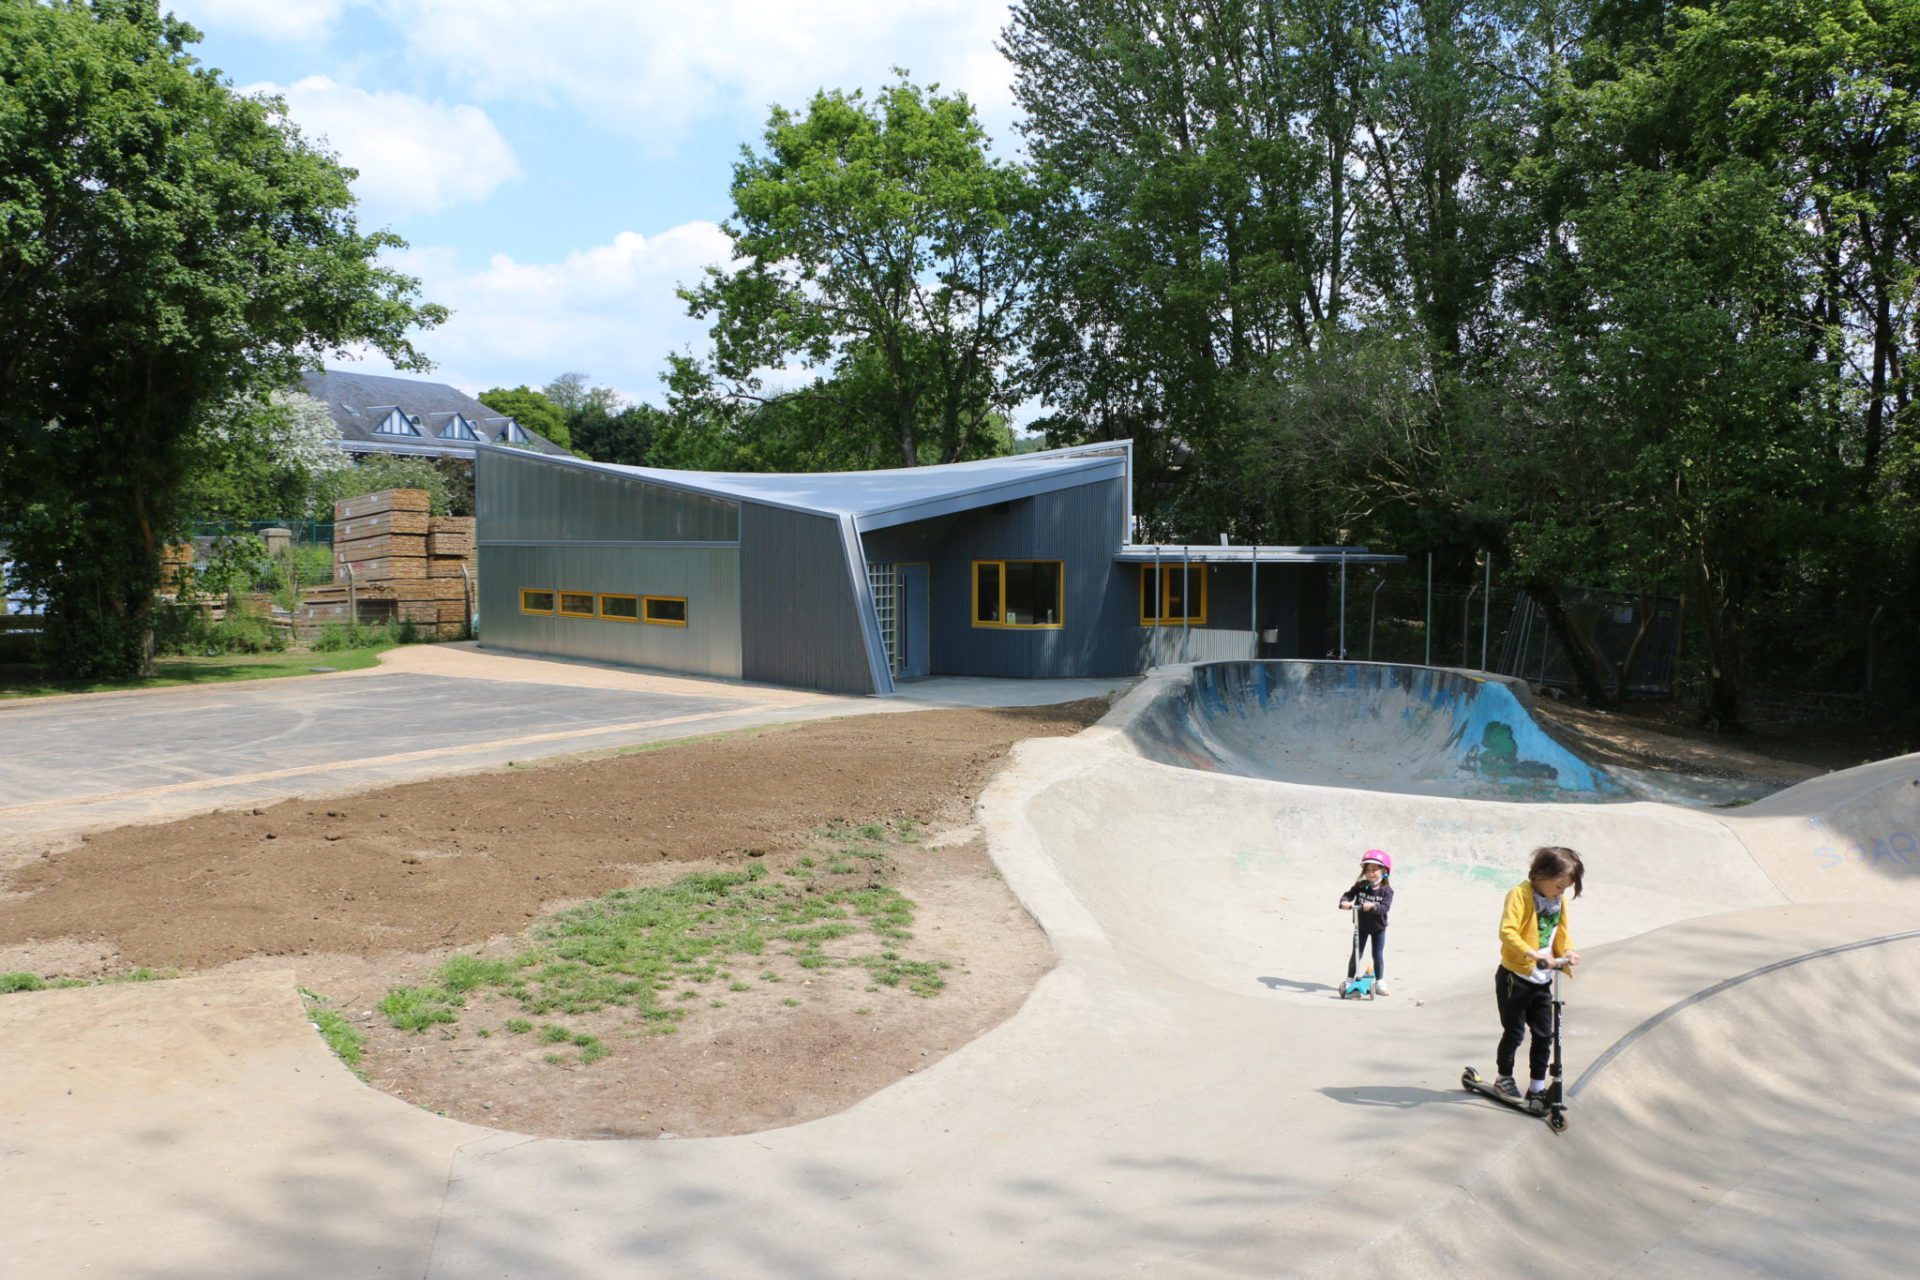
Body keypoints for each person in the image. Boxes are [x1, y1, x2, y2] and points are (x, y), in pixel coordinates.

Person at [1492, 846, 1584, 1105]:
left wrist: (1568, 950)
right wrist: (1533, 955)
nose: (1561, 892)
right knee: (1514, 1032)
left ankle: (1537, 1086)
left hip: (1542, 980)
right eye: (1559, 886)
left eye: (1565, 888)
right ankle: (1504, 1078)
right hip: (1515, 977)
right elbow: (1507, 932)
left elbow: (1561, 931)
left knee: (1545, 1035)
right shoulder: (1519, 895)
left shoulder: (1558, 900)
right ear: (1542, 875)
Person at [1338, 850, 1394, 995]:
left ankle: (1380, 981)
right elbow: (1349, 894)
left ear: (1384, 871)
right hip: (1360, 926)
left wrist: (1373, 906)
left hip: (1378, 928)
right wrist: (1344, 901)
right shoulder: (1361, 885)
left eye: (1374, 870)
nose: (1370, 873)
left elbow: (1384, 907)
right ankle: (1350, 979)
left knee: (1377, 954)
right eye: (1368, 870)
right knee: (1357, 953)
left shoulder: (1386, 891)